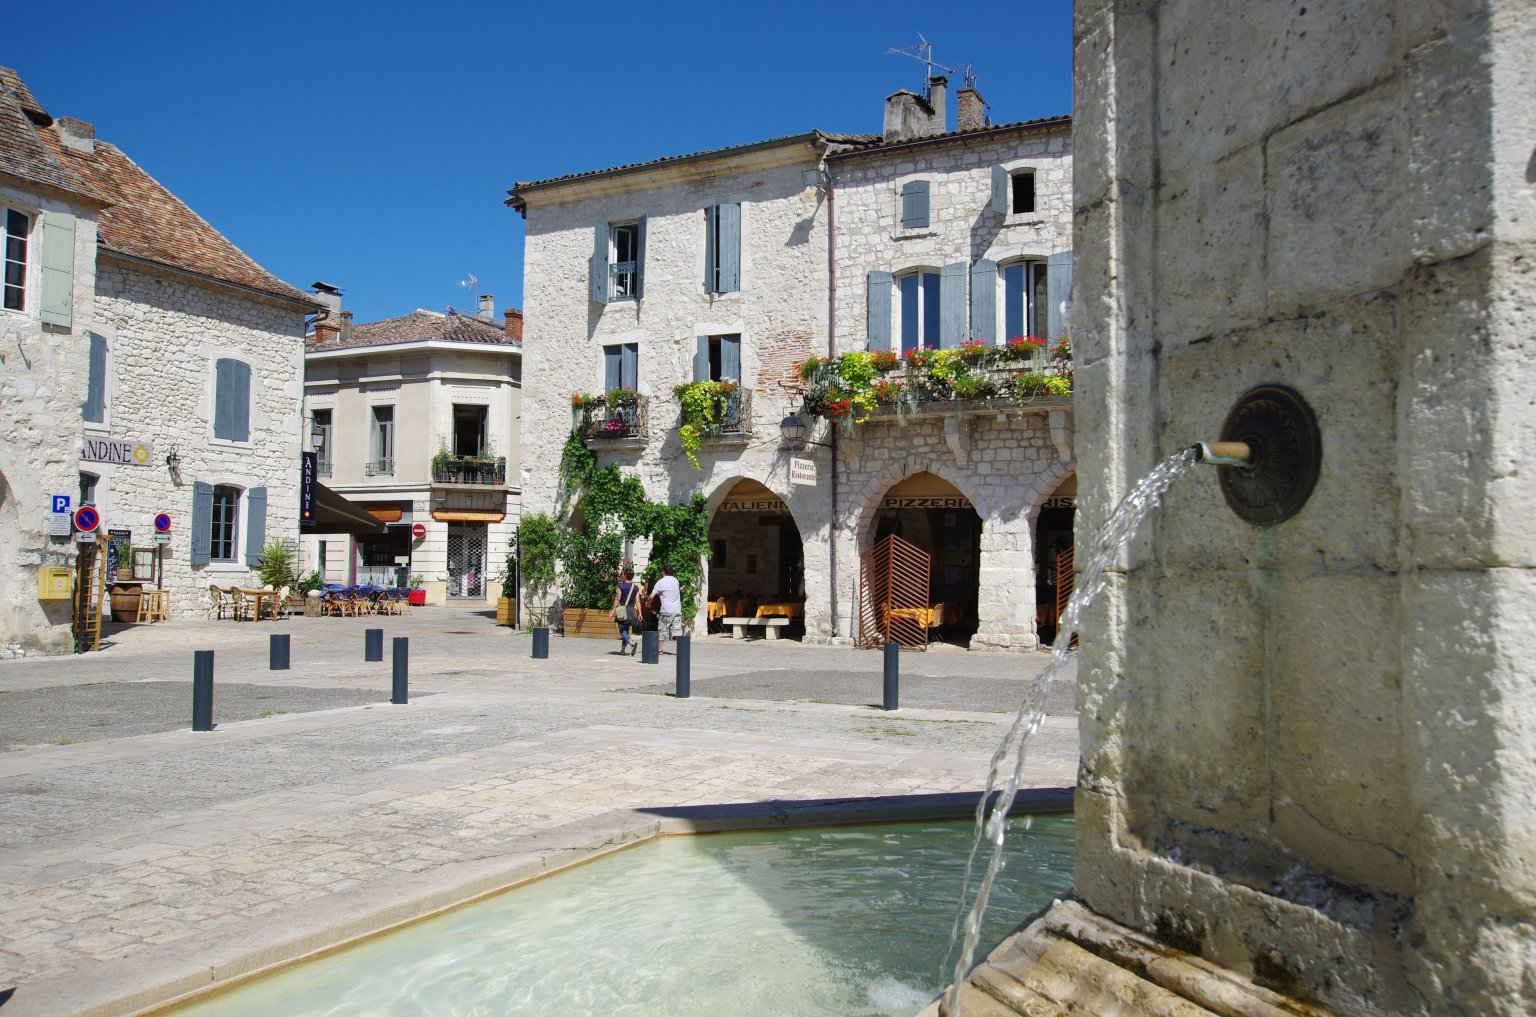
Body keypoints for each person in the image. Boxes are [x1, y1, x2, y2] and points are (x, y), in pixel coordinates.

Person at [648, 563, 682, 655]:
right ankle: (681, 650)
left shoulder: (661, 582)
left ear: (664, 571)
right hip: (677, 610)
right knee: (677, 631)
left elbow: (651, 596)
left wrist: (648, 604)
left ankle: (660, 650)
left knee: (662, 630)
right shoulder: (676, 581)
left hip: (666, 610)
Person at [612, 566, 643, 656]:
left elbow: (617, 599)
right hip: (631, 611)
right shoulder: (636, 588)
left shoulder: (621, 586)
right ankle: (623, 650)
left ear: (625, 575)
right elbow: (637, 601)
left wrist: (613, 610)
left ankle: (631, 643)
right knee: (626, 629)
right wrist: (640, 613)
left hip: (622, 610)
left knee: (622, 631)